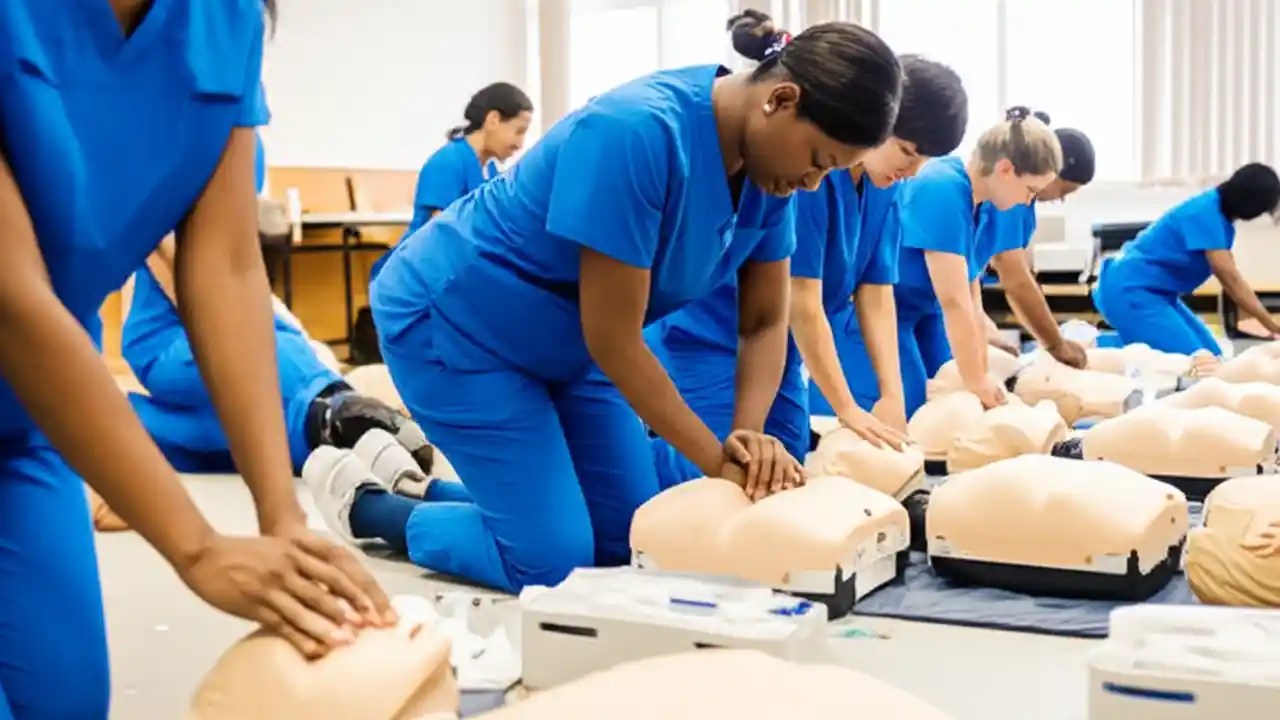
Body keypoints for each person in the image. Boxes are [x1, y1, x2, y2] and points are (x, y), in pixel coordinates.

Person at [350, 15, 903, 594]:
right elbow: (613, 336)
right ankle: (372, 508)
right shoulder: (638, 132)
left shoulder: (770, 177)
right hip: (460, 324)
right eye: (817, 160)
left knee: (630, 537)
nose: (814, 184)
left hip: (569, 344)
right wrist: (718, 461)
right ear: (781, 100)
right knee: (553, 563)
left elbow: (764, 321)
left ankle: (431, 488)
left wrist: (745, 434)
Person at [0, 3, 395, 717]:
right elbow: (12, 298)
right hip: (34, 350)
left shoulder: (223, 18)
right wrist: (198, 547)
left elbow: (228, 266)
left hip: (35, 418)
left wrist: (282, 515)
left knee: (63, 699)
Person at [650, 49, 966, 489]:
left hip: (782, 352)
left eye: (924, 161)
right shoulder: (811, 172)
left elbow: (876, 293)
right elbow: (801, 300)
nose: (912, 171)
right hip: (714, 339)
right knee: (721, 475)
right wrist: (847, 407)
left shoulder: (882, 187)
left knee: (789, 463)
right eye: (907, 152)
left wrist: (891, 395)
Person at [121, 236, 437, 477]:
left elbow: (243, 275)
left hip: (229, 315)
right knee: (271, 363)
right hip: (174, 334)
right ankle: (334, 418)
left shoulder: (240, 161)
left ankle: (333, 418)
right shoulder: (178, 170)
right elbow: (178, 269)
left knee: (223, 431)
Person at [890, 107, 1063, 415]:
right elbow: (954, 301)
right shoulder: (941, 186)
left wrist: (982, 374)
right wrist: (978, 380)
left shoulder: (980, 204)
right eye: (1031, 192)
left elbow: (972, 298)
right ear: (1006, 169)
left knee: (951, 394)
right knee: (908, 403)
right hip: (883, 310)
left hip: (925, 312)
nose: (1027, 203)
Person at [1093, 162, 1280, 354]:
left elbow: (1231, 273)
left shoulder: (1217, 213)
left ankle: (1110, 342)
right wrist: (1271, 324)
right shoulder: (1206, 214)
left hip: (1156, 294)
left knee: (1214, 356)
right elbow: (1231, 280)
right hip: (1130, 290)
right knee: (1196, 362)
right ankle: (1089, 345)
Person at [980, 126, 1096, 367]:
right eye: (1063, 190)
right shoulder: (1011, 199)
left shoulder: (1023, 205)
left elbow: (967, 277)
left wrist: (983, 328)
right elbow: (1016, 280)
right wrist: (1056, 345)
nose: (1060, 199)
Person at [403, 82, 533, 239]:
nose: (520, 144)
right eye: (518, 131)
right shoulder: (448, 162)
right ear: (493, 120)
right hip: (424, 261)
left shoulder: (491, 170)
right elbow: (442, 234)